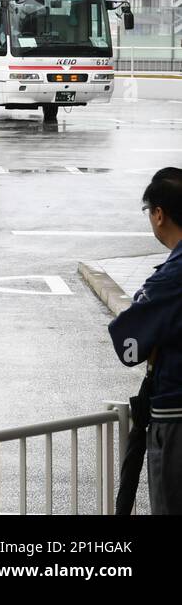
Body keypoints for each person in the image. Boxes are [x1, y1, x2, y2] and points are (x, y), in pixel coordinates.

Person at [109, 167, 182, 514]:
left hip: (175, 416)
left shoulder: (171, 278)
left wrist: (143, 302)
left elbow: (129, 342)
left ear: (158, 214)